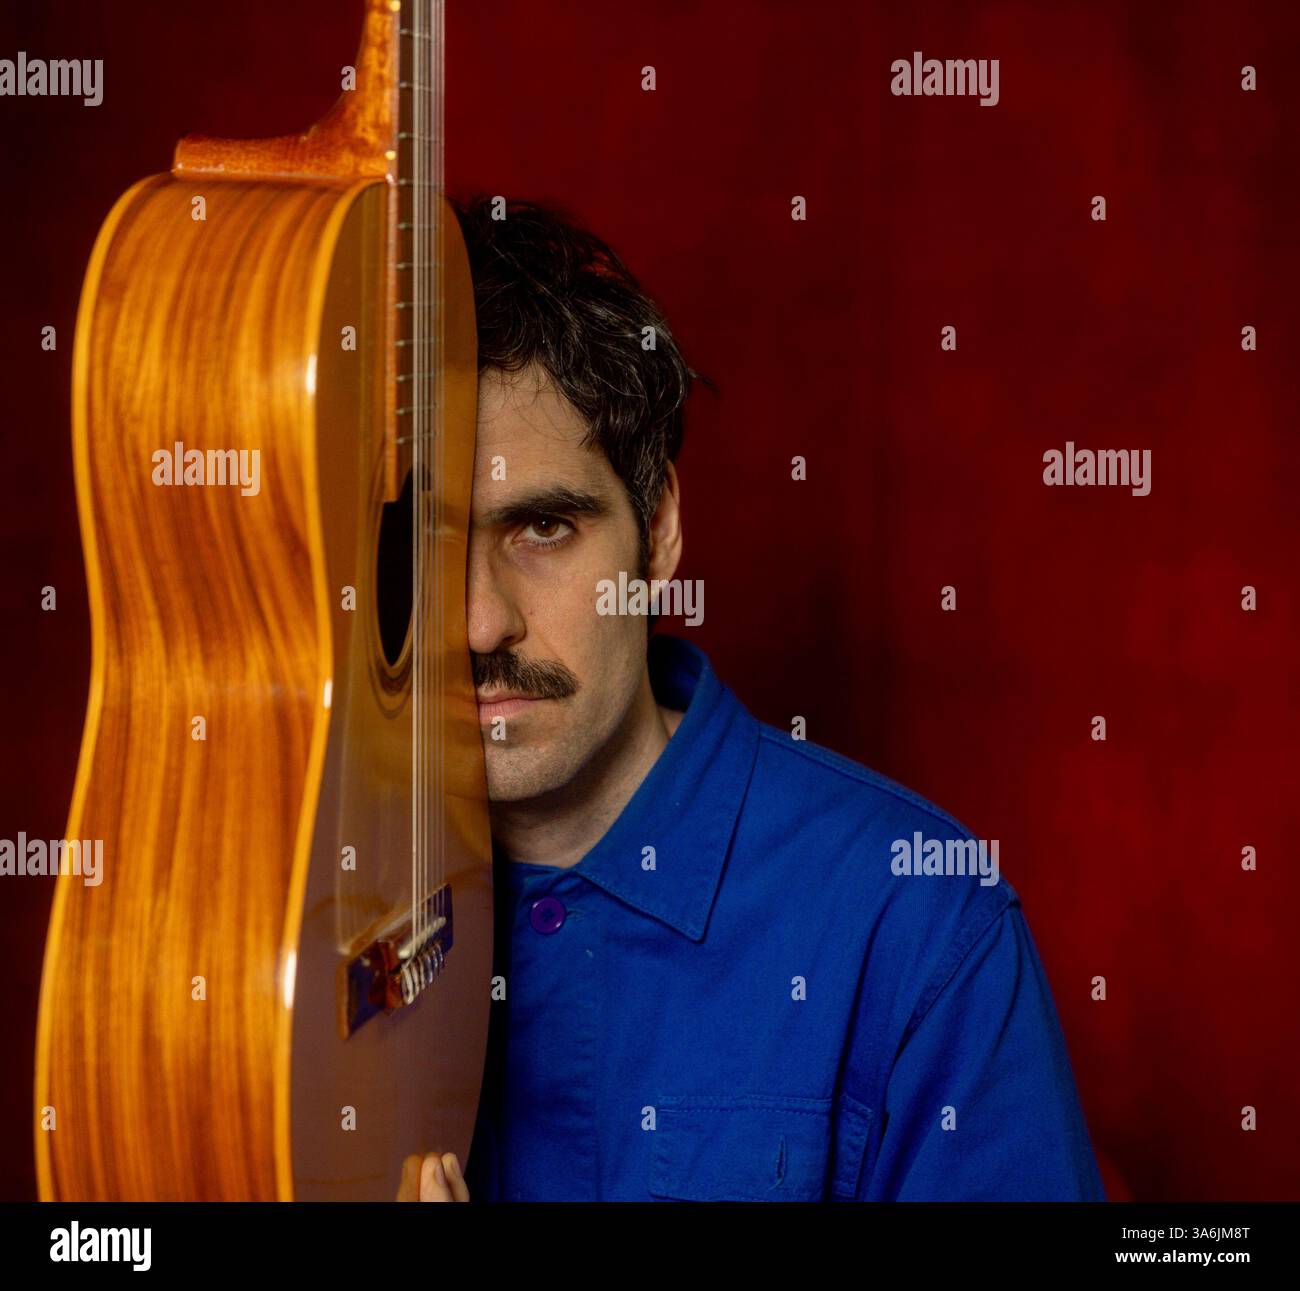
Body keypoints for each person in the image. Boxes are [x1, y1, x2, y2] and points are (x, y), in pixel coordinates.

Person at [397, 196, 1104, 1202]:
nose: (478, 624)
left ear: (660, 530)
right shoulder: (304, 909)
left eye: (543, 527)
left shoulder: (916, 922)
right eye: (426, 541)